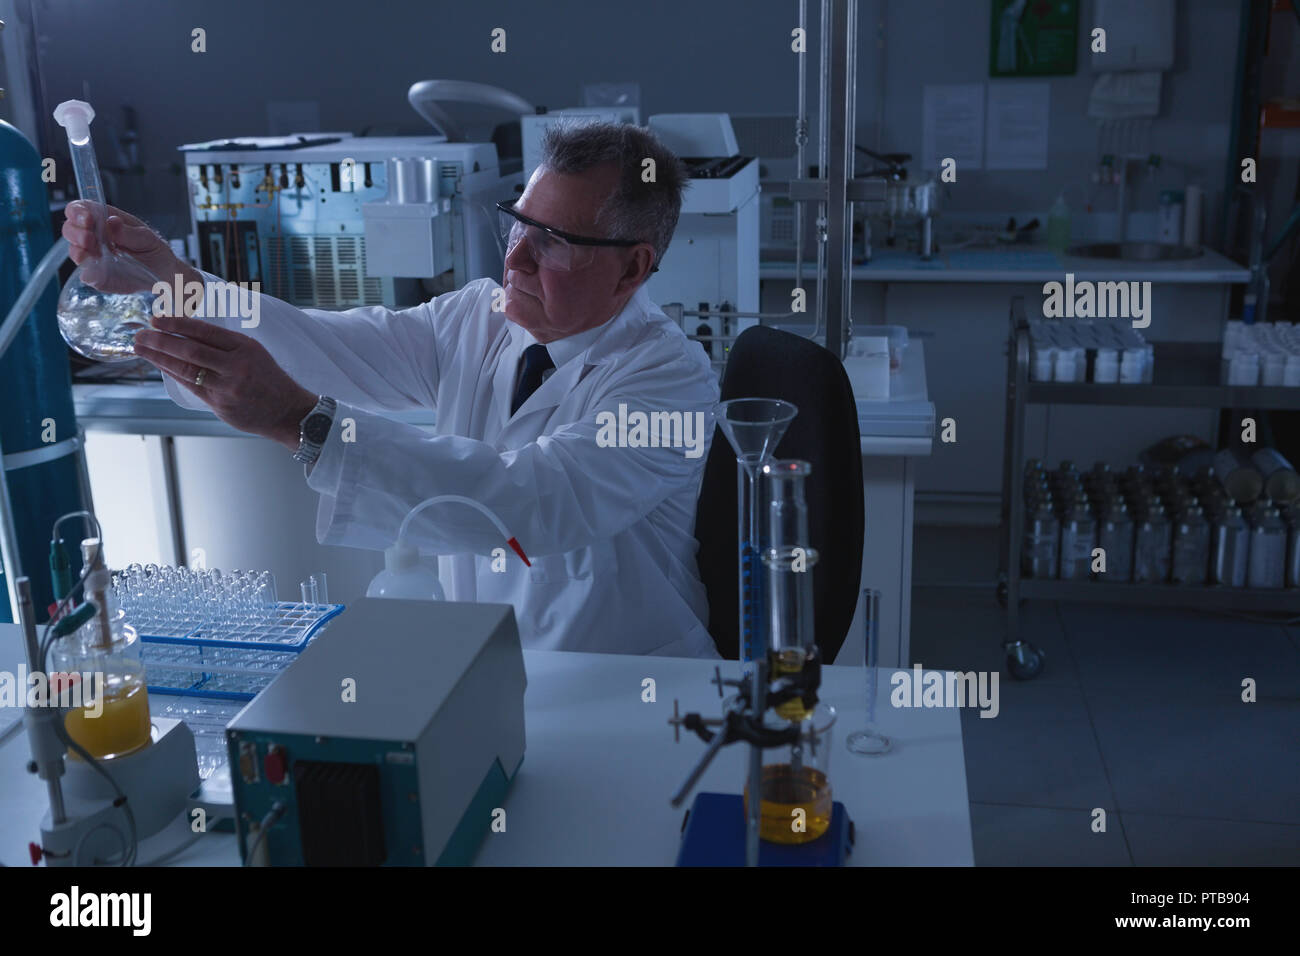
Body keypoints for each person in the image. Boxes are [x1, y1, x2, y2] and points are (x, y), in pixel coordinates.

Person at [61, 123, 721, 658]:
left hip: (631, 692)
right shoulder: (476, 318)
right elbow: (323, 347)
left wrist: (301, 422)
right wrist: (173, 282)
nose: (515, 258)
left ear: (632, 267)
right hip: (494, 674)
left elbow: (529, 504)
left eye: (554, 244)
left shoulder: (672, 384)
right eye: (518, 224)